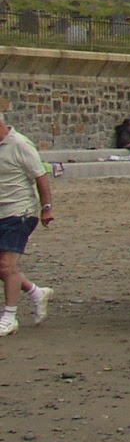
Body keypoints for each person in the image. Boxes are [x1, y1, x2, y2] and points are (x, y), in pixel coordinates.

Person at [0, 111, 53, 338]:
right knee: (2, 268)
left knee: (6, 266)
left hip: (20, 212)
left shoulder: (20, 144)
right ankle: (35, 291)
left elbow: (40, 176)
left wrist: (47, 207)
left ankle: (9, 317)